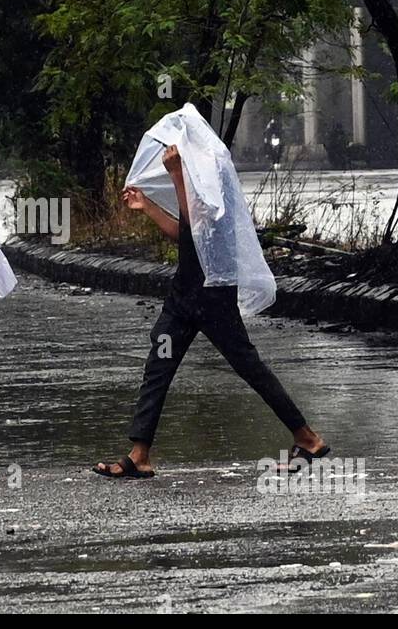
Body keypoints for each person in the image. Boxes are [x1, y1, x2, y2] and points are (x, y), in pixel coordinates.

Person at [94, 110, 328, 479]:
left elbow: (198, 225)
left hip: (212, 292)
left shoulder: (212, 169)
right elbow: (185, 235)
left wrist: (175, 175)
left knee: (247, 364)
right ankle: (139, 454)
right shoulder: (193, 170)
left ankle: (307, 436)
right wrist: (148, 207)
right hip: (185, 290)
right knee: (159, 362)